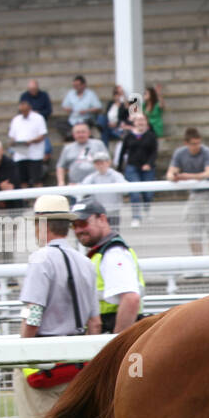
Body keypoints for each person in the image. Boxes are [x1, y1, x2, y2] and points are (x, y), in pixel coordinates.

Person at [15, 194, 104, 418]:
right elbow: (95, 321)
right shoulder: (84, 261)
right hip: (79, 363)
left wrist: (24, 348)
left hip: (46, 365)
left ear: (41, 225)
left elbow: (33, 312)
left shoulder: (41, 259)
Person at [70, 198, 144, 334]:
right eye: (74, 225)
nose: (79, 230)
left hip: (111, 334)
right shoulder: (102, 252)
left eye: (83, 223)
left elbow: (131, 299)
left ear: (102, 219)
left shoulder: (113, 253)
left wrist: (116, 344)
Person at [166, 127, 209, 256]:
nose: (197, 146)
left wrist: (187, 177)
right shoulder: (180, 153)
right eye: (193, 144)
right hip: (195, 195)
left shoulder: (206, 151)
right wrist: (175, 176)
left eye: (198, 143)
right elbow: (170, 173)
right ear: (186, 143)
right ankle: (197, 262)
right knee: (193, 229)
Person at [120, 112, 157, 226]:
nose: (140, 122)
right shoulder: (129, 136)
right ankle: (136, 216)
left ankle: (147, 209)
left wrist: (149, 164)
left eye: (142, 120)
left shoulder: (151, 135)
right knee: (135, 192)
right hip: (132, 166)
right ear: (134, 122)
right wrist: (119, 167)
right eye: (138, 120)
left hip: (147, 168)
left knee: (148, 193)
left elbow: (154, 152)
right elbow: (122, 152)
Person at [80, 149, 127, 228]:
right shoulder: (92, 177)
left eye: (102, 163)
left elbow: (125, 189)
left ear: (108, 163)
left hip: (113, 211)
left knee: (113, 231)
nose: (100, 165)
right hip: (98, 212)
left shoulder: (115, 175)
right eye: (97, 163)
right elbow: (82, 188)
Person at [8, 99, 48, 188]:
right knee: (22, 180)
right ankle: (24, 201)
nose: (23, 112)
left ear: (30, 108)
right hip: (20, 154)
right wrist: (16, 144)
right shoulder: (16, 120)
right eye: (21, 111)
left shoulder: (38, 118)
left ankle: (39, 199)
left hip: (35, 155)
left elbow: (42, 135)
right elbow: (12, 136)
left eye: (25, 110)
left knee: (37, 180)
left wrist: (30, 142)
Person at [56, 122, 107, 187]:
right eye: (78, 132)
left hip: (96, 184)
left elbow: (107, 162)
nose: (80, 135)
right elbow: (60, 166)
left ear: (89, 133)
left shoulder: (98, 144)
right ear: (73, 134)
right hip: (75, 186)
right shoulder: (68, 148)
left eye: (83, 132)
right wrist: (61, 182)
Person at [20, 78, 54, 166]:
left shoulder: (44, 96)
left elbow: (49, 110)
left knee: (46, 150)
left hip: (41, 122)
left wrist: (38, 114)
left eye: (34, 89)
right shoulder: (24, 96)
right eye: (30, 89)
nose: (32, 91)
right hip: (25, 127)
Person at [60, 75, 101, 141]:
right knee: (59, 123)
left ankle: (75, 134)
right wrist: (68, 109)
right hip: (73, 120)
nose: (75, 87)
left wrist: (87, 110)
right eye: (74, 86)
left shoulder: (90, 94)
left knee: (90, 123)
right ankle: (72, 134)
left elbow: (98, 107)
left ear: (83, 85)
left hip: (86, 119)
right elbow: (64, 106)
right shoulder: (70, 93)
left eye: (77, 85)